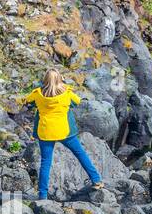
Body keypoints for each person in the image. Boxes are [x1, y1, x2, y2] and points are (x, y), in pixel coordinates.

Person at [21, 69, 103, 201]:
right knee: (80, 154)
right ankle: (96, 180)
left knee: (45, 163)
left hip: (46, 132)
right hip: (65, 132)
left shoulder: (37, 94)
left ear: (45, 80)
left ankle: (42, 195)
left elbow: (26, 101)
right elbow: (77, 101)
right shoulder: (67, 93)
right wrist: (63, 85)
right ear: (60, 79)